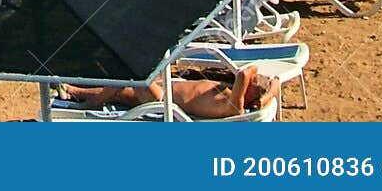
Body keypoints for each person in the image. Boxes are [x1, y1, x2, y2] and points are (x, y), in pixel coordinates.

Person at [59, 64, 276, 120]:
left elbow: (244, 73)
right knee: (120, 92)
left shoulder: (235, 105)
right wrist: (269, 93)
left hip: (164, 102)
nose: (251, 80)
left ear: (251, 92)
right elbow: (273, 82)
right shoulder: (234, 96)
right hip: (166, 90)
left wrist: (259, 84)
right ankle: (72, 90)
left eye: (253, 84)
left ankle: (87, 104)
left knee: (131, 77)